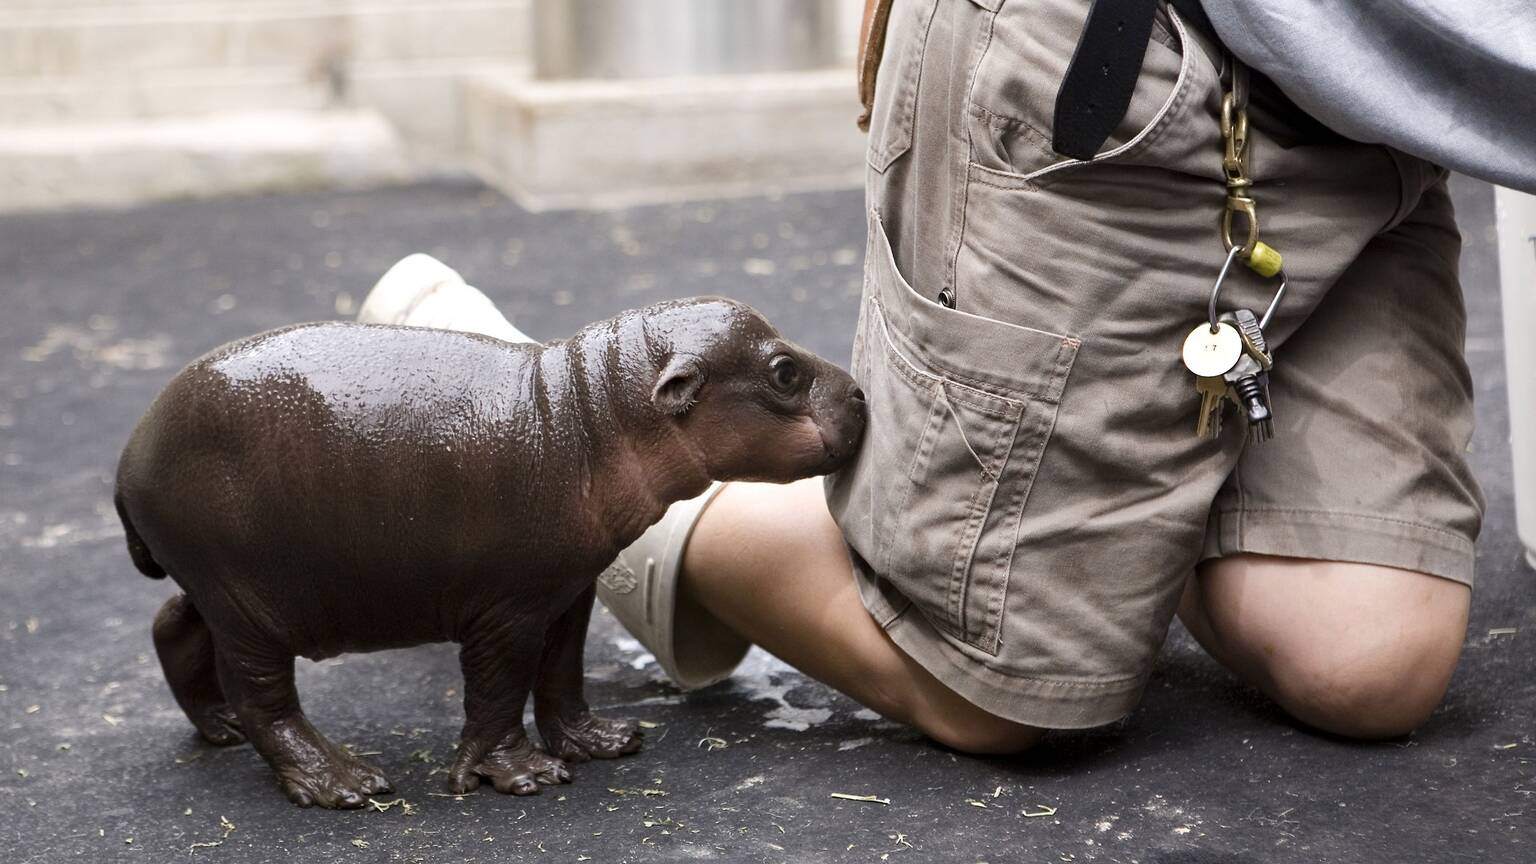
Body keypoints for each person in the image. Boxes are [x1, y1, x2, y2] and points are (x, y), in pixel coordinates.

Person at [361, 0, 1536, 752]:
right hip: (1131, 74)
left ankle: (1111, 503)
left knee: (1367, 660)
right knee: (990, 694)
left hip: (1386, 107)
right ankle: (526, 443)